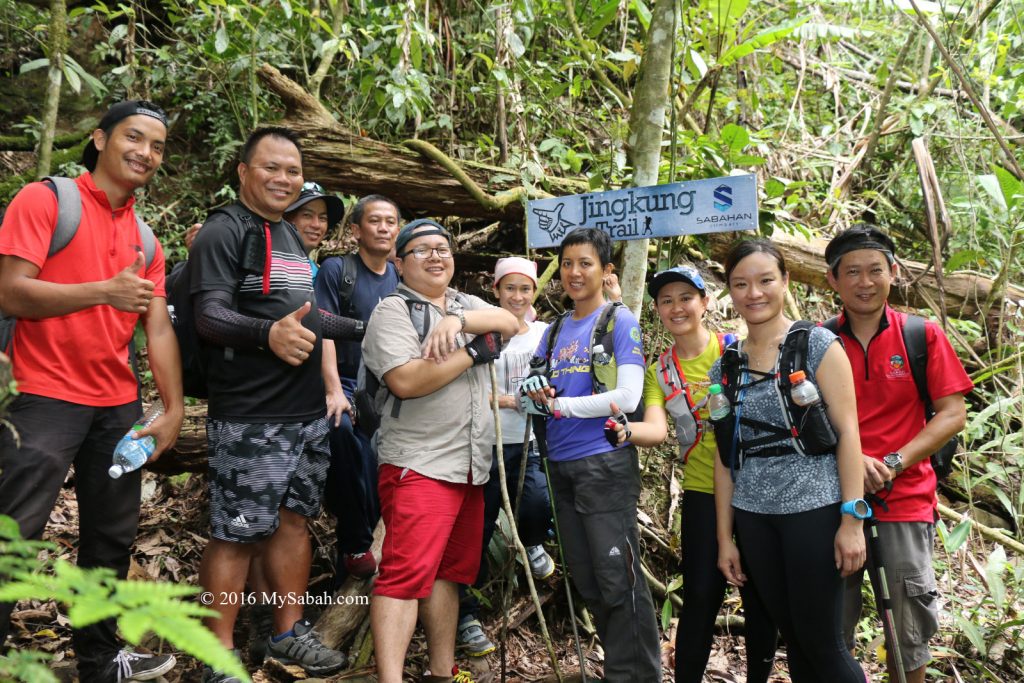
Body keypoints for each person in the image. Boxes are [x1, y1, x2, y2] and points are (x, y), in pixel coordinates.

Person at [0, 99, 183, 682]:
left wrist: (173, 409)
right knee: (16, 530)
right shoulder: (47, 200)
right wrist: (102, 290)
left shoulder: (147, 239)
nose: (145, 154)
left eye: (156, 147)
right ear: (101, 139)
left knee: (109, 538)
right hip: (42, 394)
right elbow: (11, 291)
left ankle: (100, 660)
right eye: (134, 138)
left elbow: (157, 326)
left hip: (117, 405)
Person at [190, 127, 363, 682]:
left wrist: (369, 325)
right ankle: (216, 657)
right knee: (236, 533)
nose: (283, 179)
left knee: (293, 523)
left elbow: (310, 318)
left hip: (306, 414)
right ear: (243, 171)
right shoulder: (225, 230)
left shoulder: (287, 236)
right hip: (251, 415)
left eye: (292, 170)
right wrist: (268, 337)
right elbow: (209, 316)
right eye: (271, 168)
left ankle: (287, 635)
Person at [361, 219, 518, 683]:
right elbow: (405, 381)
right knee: (403, 578)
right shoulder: (392, 311)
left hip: (470, 467)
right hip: (420, 464)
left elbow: (511, 321)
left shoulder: (463, 304)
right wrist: (472, 353)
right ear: (399, 262)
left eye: (443, 249)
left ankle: (441, 672)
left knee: (448, 575)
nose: (435, 257)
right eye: (422, 250)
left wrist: (457, 321)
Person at [608, 264, 777, 682]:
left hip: (759, 486)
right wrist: (627, 431)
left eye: (686, 297)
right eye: (666, 300)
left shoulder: (735, 350)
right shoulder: (660, 371)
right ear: (658, 310)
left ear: (705, 303)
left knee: (761, 595)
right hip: (703, 488)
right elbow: (657, 427)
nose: (676, 307)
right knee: (702, 595)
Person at [710, 238, 866, 682]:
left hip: (813, 509)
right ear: (729, 291)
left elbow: (849, 432)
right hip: (755, 516)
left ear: (786, 281)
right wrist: (726, 539)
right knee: (794, 639)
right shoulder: (728, 365)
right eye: (740, 284)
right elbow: (726, 456)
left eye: (764, 281)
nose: (753, 293)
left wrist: (852, 519)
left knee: (823, 641)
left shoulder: (817, 345)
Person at [826, 225, 972, 683]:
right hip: (833, 501)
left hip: (904, 501)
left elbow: (952, 414)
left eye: (875, 270)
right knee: (833, 627)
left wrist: (891, 462)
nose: (864, 282)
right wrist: (851, 463)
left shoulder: (920, 335)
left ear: (893, 273)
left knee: (908, 632)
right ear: (833, 280)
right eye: (852, 272)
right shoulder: (817, 341)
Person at [522, 227, 661, 681]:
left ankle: (636, 676)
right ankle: (620, 670)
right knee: (587, 577)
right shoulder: (556, 329)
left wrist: (560, 405)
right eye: (566, 263)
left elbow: (626, 394)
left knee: (617, 577)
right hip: (560, 466)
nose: (574, 272)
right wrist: (534, 392)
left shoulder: (619, 322)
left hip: (603, 463)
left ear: (606, 271)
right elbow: (531, 391)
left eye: (585, 263)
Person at [456, 256, 554, 657]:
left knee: (536, 502)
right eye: (509, 288)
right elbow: (466, 386)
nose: (517, 296)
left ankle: (531, 542)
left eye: (525, 288)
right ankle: (467, 614)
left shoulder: (546, 333)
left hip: (528, 442)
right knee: (474, 533)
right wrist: (510, 400)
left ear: (535, 292)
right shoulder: (482, 328)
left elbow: (557, 382)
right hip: (483, 444)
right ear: (495, 290)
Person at [314, 194, 401, 581]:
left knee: (379, 468)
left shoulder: (399, 276)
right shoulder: (337, 270)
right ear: (356, 230)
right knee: (344, 434)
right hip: (347, 383)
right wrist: (334, 390)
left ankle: (358, 554)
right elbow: (323, 330)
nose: (383, 228)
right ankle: (354, 543)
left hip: (387, 388)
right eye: (375, 221)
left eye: (390, 222)